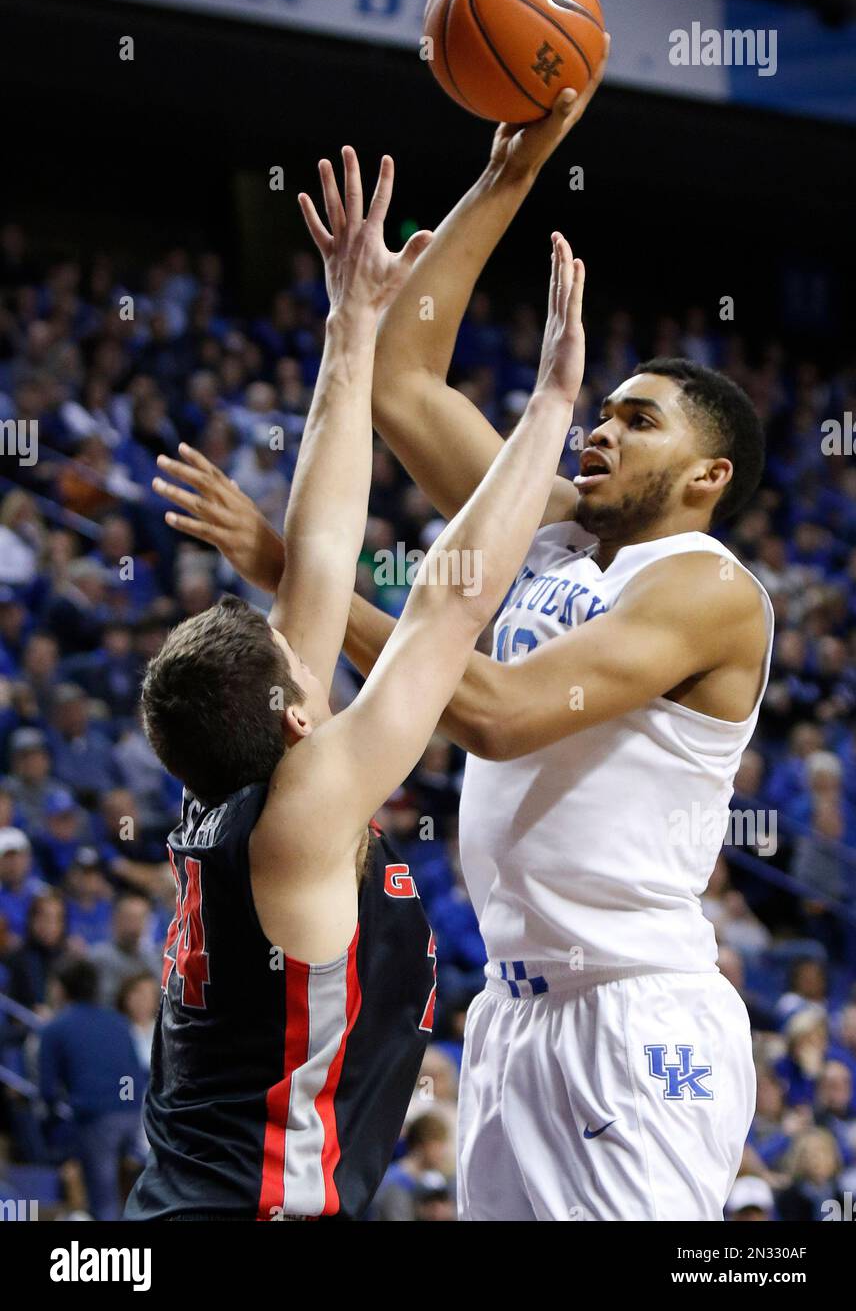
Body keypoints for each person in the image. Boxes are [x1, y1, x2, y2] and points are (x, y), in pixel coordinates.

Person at [160, 66, 775, 1222]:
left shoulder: (709, 590)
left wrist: (296, 574)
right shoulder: (550, 527)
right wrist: (511, 170)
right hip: (512, 1011)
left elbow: (489, 707)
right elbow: (398, 377)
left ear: (708, 475)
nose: (599, 428)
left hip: (632, 1012)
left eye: (637, 420)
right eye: (602, 409)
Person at [128, 148, 588, 1222]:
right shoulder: (298, 814)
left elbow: (325, 551)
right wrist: (549, 404)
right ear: (296, 714)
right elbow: (448, 608)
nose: (316, 638)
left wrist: (354, 321)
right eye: (299, 654)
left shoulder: (246, 787)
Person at [39, 958, 145, 1221]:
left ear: (61, 989)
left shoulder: (55, 1027)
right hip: (133, 1116)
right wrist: (126, 1104)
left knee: (105, 1201)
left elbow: (47, 1090)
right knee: (138, 1196)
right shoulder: (119, 1022)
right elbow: (134, 1073)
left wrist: (52, 1124)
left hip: (96, 1120)